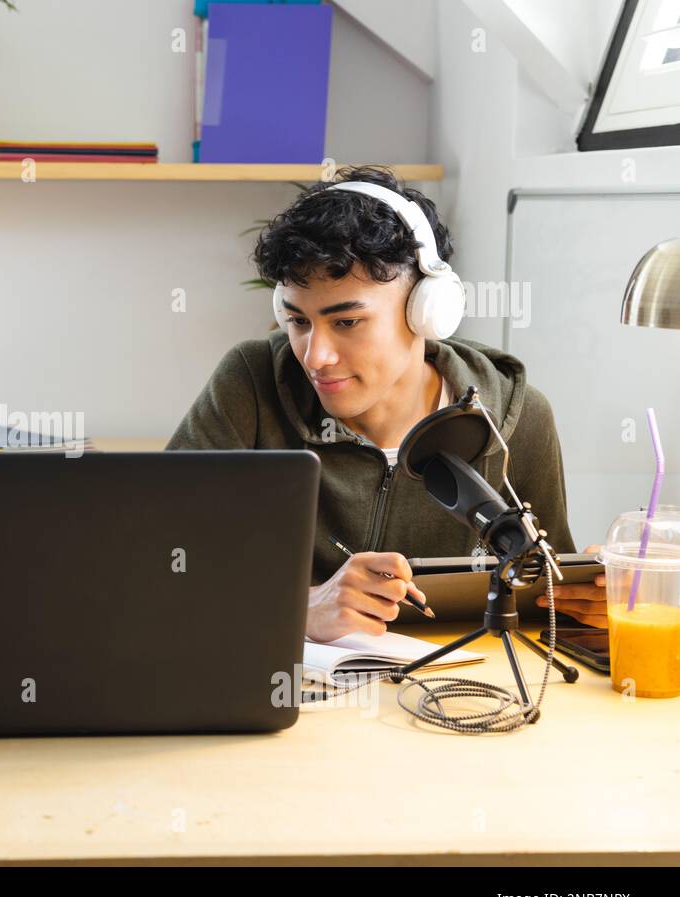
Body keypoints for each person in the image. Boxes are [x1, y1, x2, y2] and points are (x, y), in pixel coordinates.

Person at [167, 166, 607, 641]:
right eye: (298, 321)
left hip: (457, 681)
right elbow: (157, 561)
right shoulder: (252, 382)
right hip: (289, 680)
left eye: (347, 323)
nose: (315, 357)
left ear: (427, 311)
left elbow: (549, 604)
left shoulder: (515, 419)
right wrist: (297, 608)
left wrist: (596, 604)